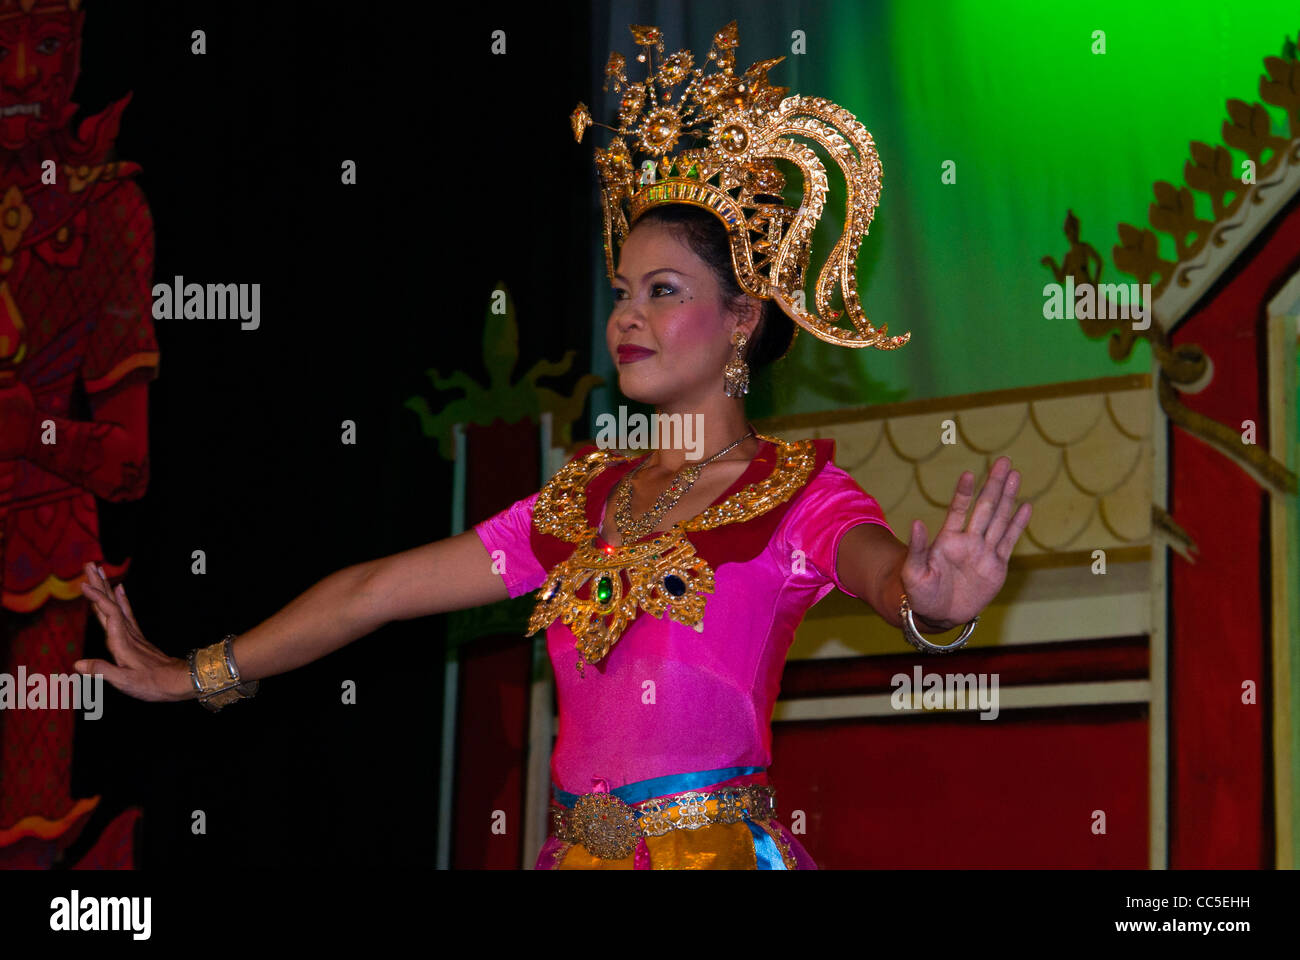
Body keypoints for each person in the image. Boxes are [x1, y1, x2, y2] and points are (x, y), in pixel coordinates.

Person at [74, 21, 1032, 869]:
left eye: (664, 291)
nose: (627, 314)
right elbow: (375, 591)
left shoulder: (796, 493)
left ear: (741, 318)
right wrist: (189, 672)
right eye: (622, 288)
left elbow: (887, 578)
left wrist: (931, 603)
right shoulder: (580, 500)